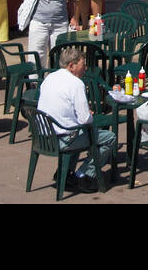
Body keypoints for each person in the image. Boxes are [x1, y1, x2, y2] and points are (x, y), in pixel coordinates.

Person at [37, 47, 116, 193]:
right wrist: (88, 114)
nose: (85, 68)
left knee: (76, 129)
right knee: (109, 138)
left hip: (42, 138)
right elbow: (86, 119)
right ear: (71, 66)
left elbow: (59, 107)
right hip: (63, 140)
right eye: (83, 64)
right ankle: (84, 174)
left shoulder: (49, 78)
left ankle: (65, 172)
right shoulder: (76, 83)